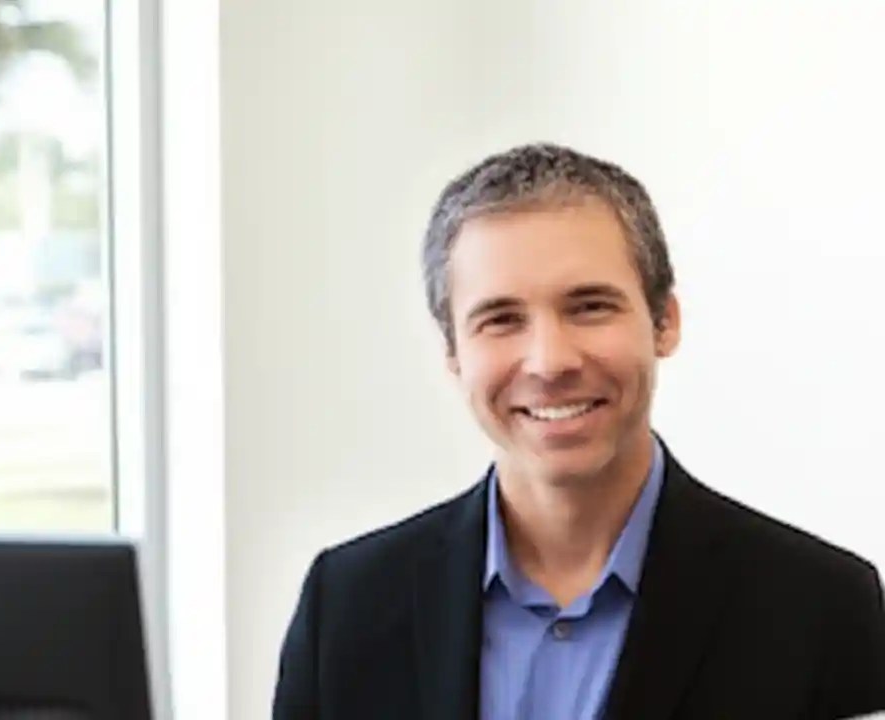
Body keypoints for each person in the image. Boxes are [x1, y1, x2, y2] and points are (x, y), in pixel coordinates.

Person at [273, 143, 885, 719]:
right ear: (453, 352)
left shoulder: (822, 610)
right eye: (501, 318)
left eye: (589, 306)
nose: (549, 361)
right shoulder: (346, 608)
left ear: (664, 321)